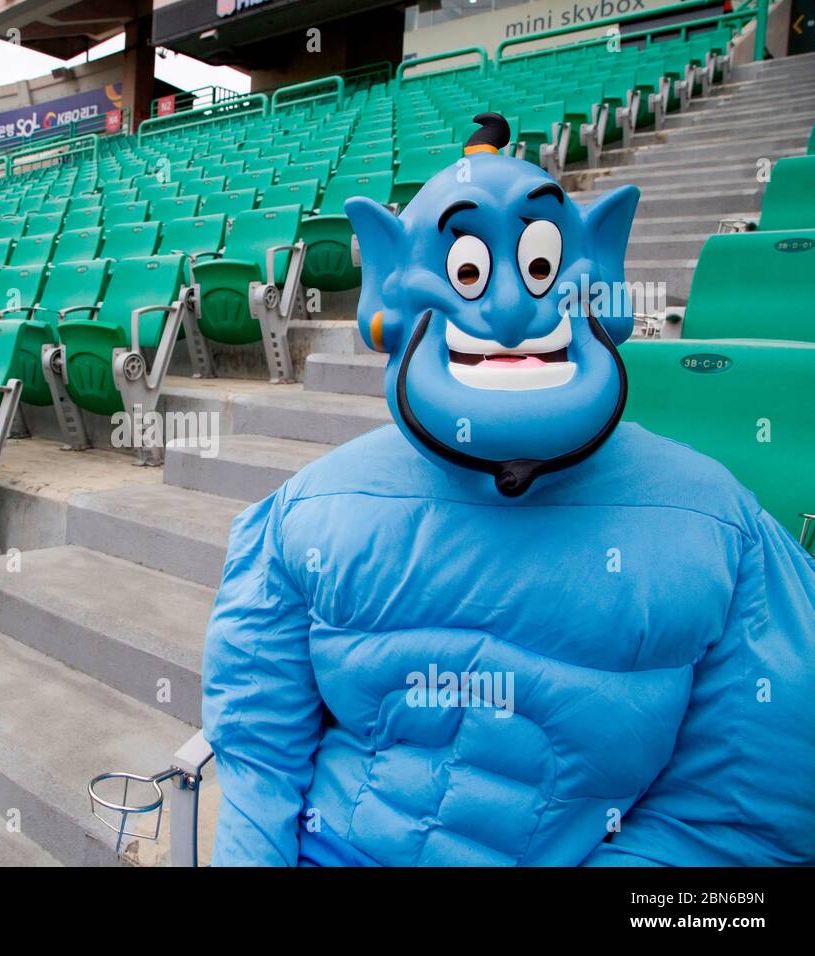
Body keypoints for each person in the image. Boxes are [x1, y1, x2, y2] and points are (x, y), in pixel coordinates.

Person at [202, 113, 815, 866]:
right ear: (385, 295)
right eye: (466, 271)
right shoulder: (305, 514)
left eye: (537, 266)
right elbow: (258, 756)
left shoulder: (723, 527)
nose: (509, 312)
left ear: (600, 274)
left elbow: (744, 813)